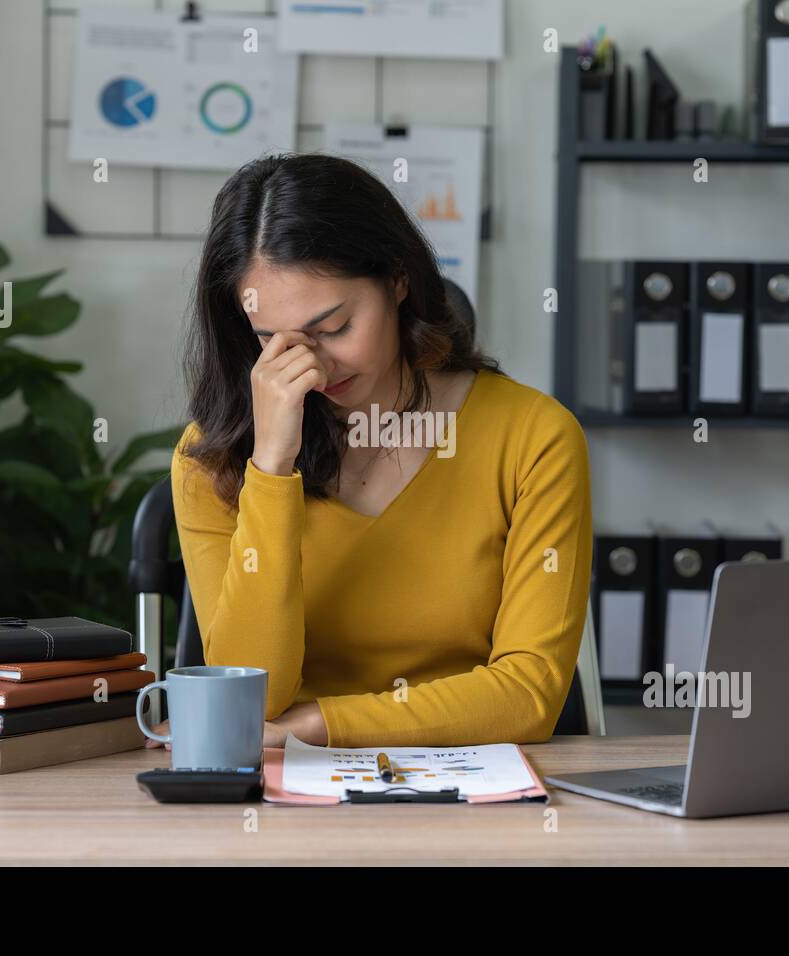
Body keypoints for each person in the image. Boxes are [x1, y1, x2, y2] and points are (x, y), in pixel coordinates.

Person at [146, 152, 592, 751]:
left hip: (472, 791)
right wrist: (272, 467)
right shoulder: (215, 458)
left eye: (333, 329)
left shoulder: (534, 438)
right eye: (271, 342)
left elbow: (528, 695)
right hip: (284, 804)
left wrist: (315, 726)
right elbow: (254, 694)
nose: (311, 366)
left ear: (398, 281)